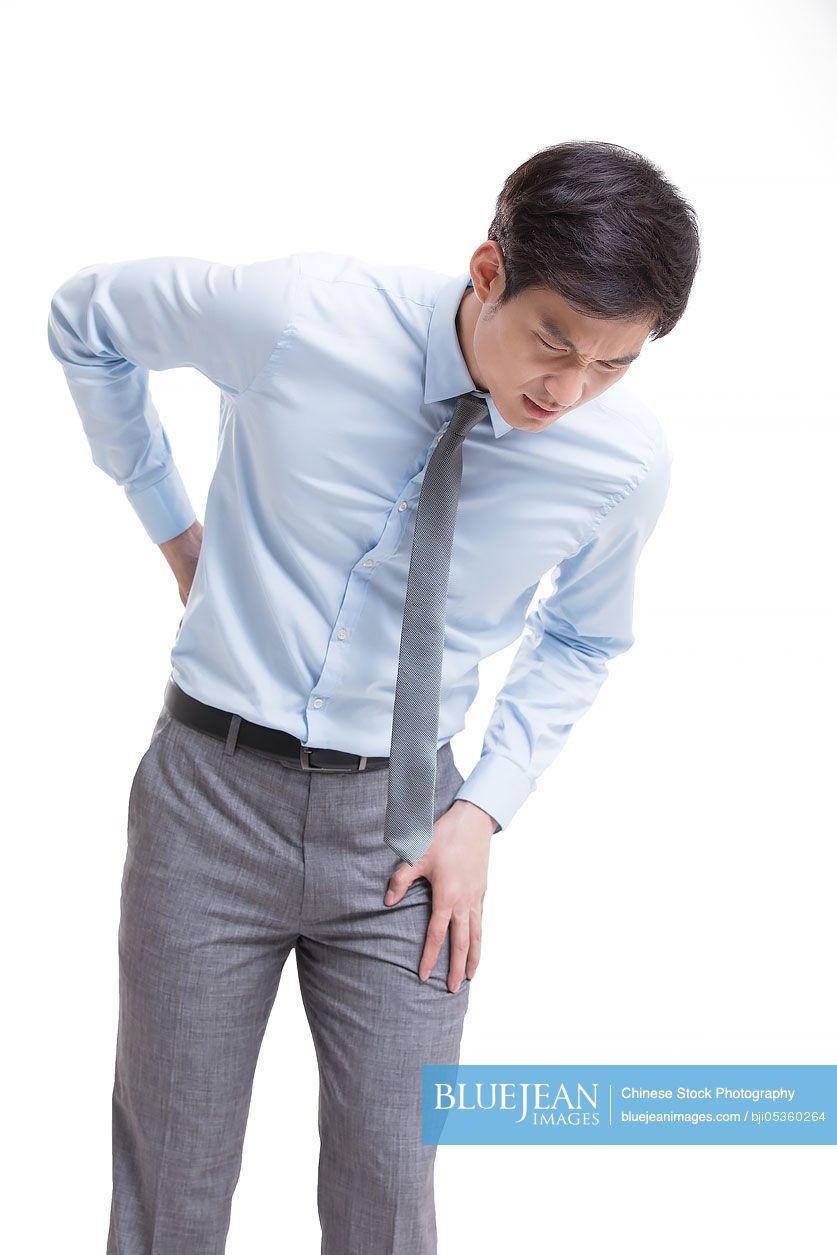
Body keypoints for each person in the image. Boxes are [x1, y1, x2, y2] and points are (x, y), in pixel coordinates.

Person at [47, 139, 700, 1254]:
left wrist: (482, 808)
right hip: (205, 804)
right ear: (487, 270)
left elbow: (584, 639)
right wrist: (173, 528)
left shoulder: (620, 462)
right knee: (172, 1175)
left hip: (405, 840)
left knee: (391, 1196)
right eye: (554, 342)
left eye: (613, 364)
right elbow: (87, 318)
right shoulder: (301, 314)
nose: (569, 390)